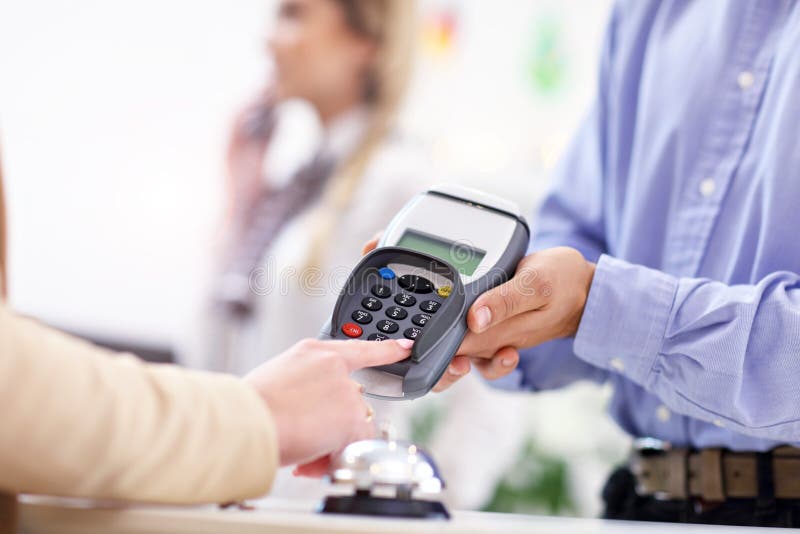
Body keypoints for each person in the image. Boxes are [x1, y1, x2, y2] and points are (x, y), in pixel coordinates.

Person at [371, 0, 800, 528]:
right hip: (644, 502)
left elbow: (593, 292)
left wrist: (594, 303)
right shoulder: (651, 12)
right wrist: (500, 307)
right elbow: (576, 240)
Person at [0, 146, 414, 529]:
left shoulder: (391, 177)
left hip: (321, 469)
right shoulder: (280, 182)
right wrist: (253, 415)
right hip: (242, 462)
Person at [180, 0, 429, 375]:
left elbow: (481, 395)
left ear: (365, 41)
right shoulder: (297, 182)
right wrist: (240, 205)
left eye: (294, 15)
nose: (269, 40)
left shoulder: (399, 185)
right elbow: (213, 348)